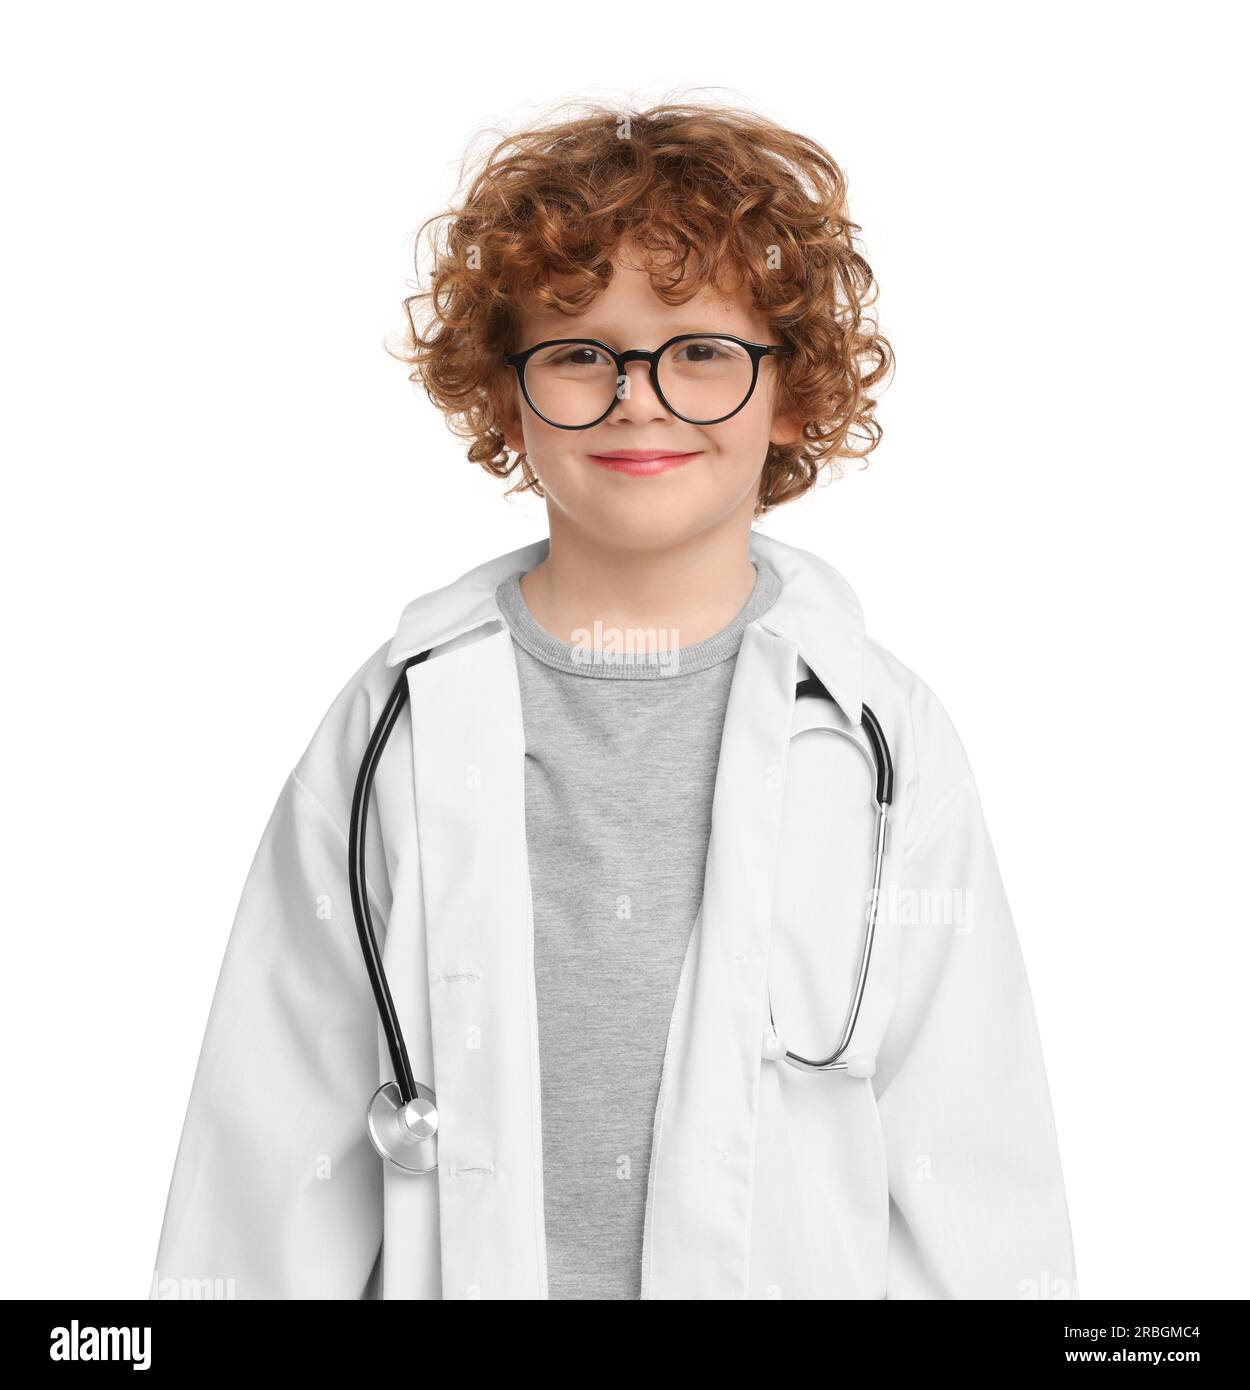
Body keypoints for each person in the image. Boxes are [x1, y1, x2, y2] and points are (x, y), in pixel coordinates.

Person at [151, 99, 1077, 1301]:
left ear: (788, 393)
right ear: (504, 399)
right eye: (580, 352)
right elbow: (267, 1143)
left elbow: (971, 1152)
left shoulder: (876, 735)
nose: (638, 395)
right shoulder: (395, 726)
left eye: (700, 350)